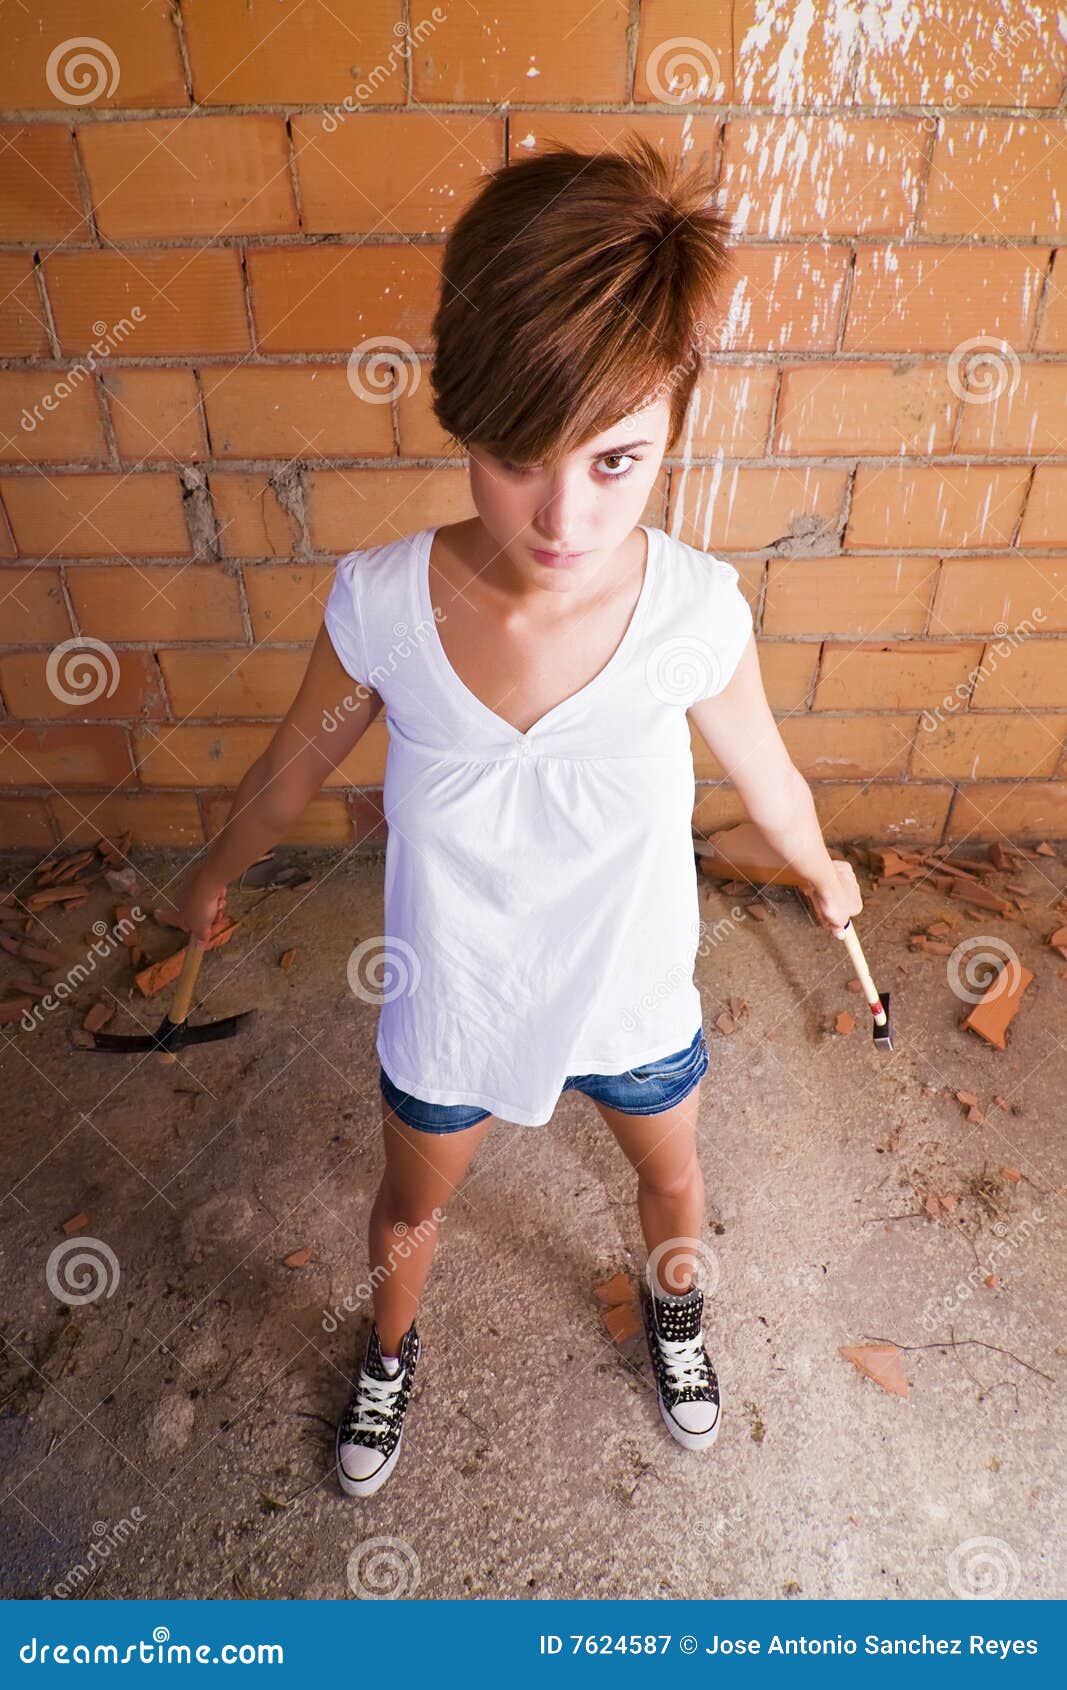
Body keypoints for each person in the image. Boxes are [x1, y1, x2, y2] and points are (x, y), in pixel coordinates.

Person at [172, 136, 863, 1501]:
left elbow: (769, 775)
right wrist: (212, 871)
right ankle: (388, 1344)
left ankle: (676, 1318)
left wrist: (821, 865)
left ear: (674, 424)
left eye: (616, 461)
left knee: (672, 1181)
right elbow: (288, 773)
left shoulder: (695, 614)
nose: (562, 515)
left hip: (631, 984)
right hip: (457, 991)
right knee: (412, 1204)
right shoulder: (380, 605)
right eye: (513, 456)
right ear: (460, 417)